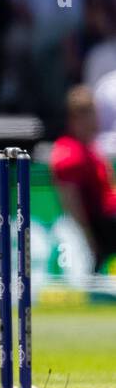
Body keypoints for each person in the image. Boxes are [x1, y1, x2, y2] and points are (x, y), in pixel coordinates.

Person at [50, 86, 116, 271]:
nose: (93, 120)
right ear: (73, 119)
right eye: (87, 114)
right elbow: (71, 201)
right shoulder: (69, 152)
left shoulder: (91, 148)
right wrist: (88, 237)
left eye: (93, 113)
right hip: (101, 225)